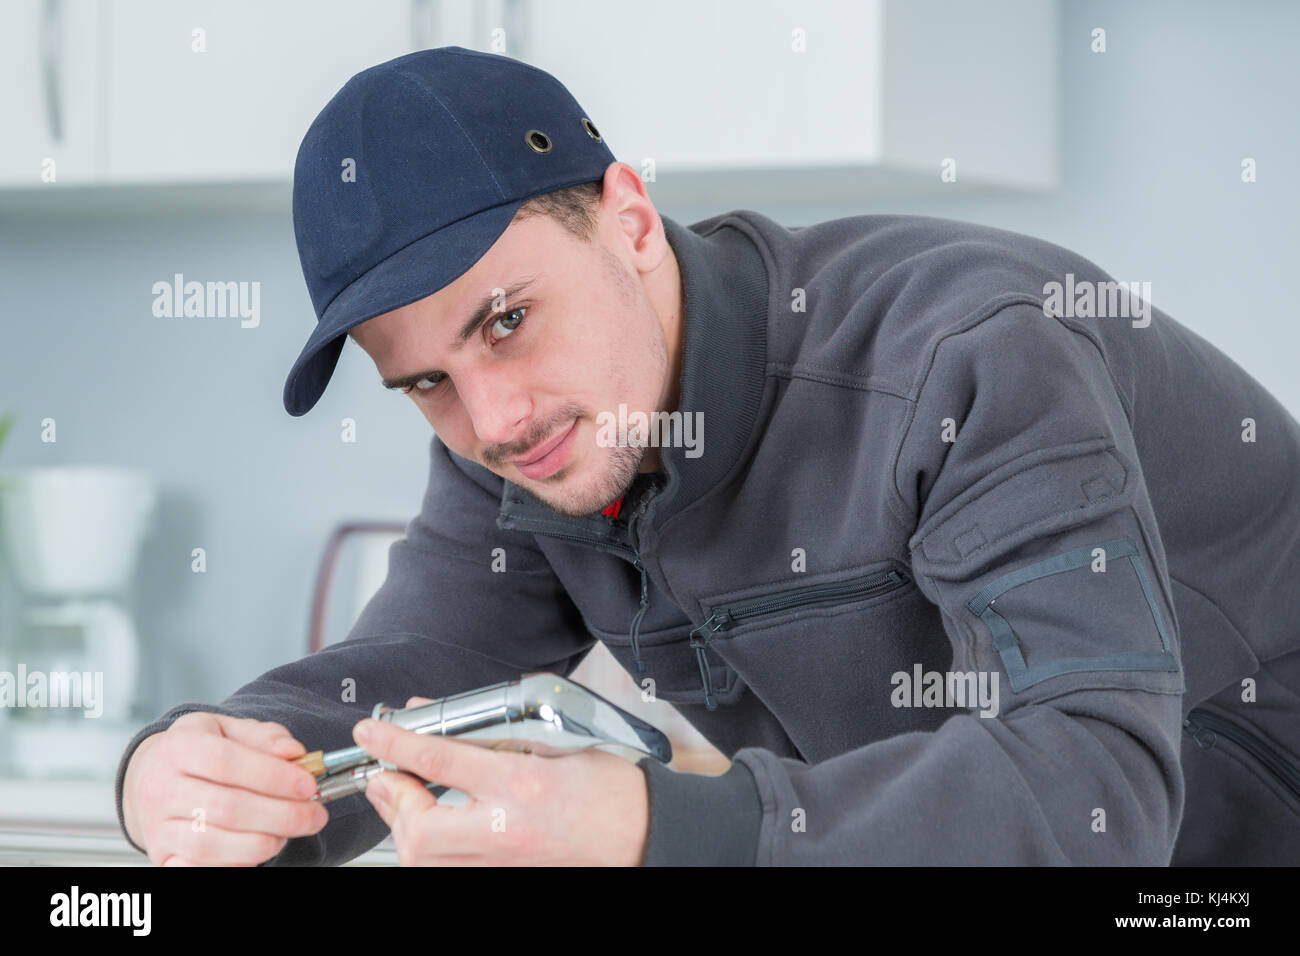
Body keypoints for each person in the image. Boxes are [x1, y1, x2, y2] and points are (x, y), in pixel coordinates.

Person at [117, 46, 1300, 866]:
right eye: (425, 380)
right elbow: (404, 674)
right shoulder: (524, 437)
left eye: (507, 319)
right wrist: (183, 771)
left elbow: (1093, 790)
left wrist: (655, 828)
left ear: (629, 220)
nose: (492, 419)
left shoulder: (964, 356)